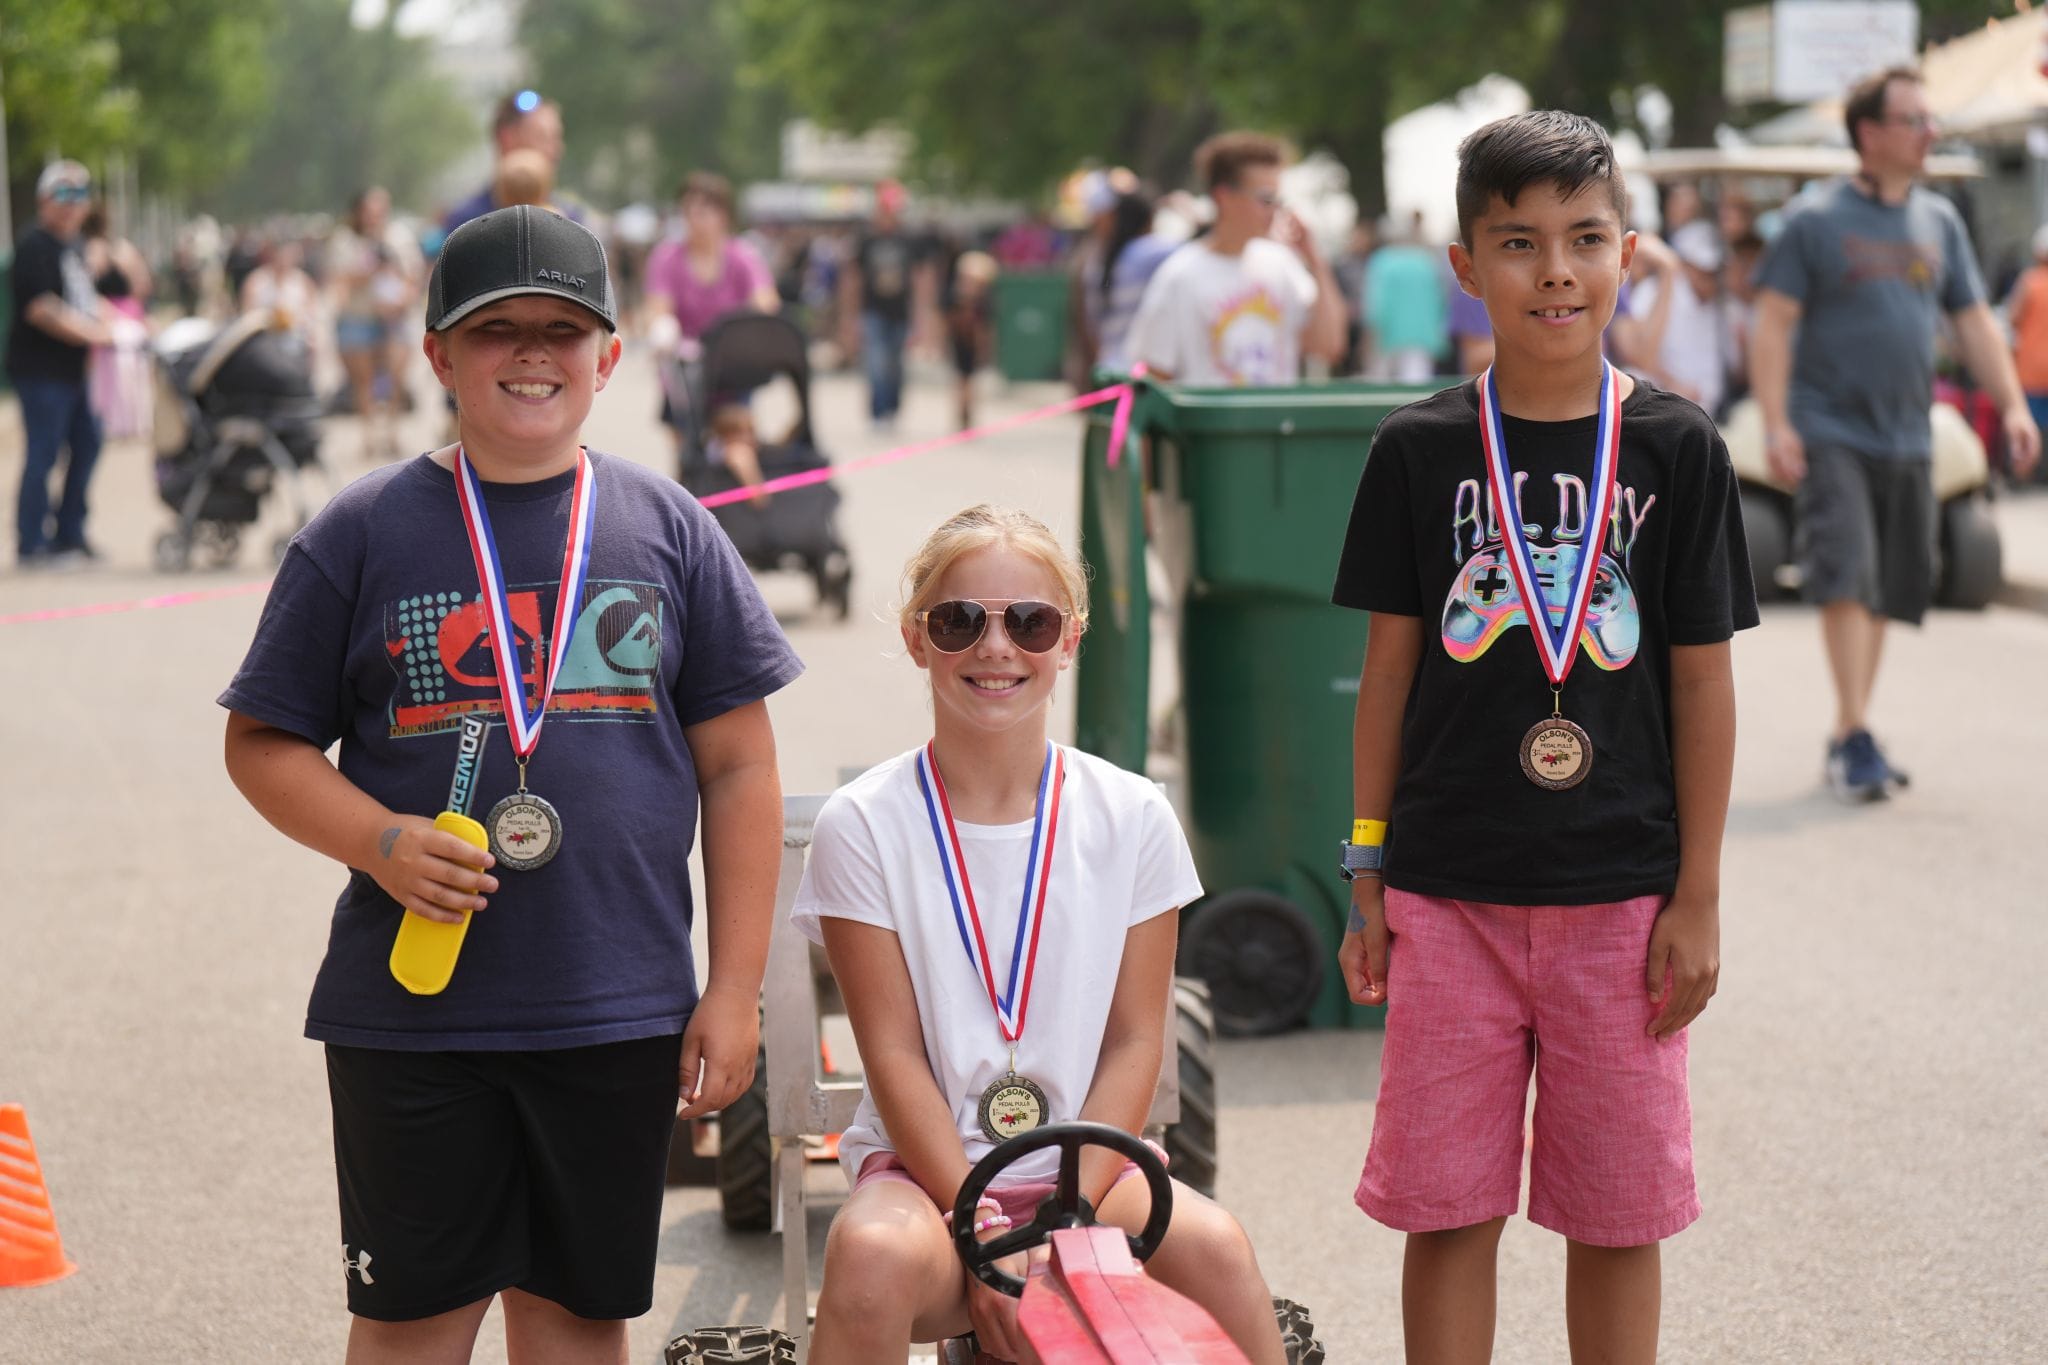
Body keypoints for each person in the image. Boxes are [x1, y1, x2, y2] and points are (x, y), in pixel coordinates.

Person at [218, 205, 803, 1364]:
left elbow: (738, 769)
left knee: (579, 1323)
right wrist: (381, 841)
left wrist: (732, 991)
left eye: (561, 328)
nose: (532, 352)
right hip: (414, 1016)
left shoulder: (670, 528)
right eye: (497, 330)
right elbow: (262, 744)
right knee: (411, 1324)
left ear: (609, 359)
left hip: (617, 1007)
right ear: (437, 354)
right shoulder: (364, 529)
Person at [1332, 110, 1758, 1364]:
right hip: (1445, 895)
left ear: (1629, 252)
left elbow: (1700, 686)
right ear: (1464, 265)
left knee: (1616, 1217)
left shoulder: (1677, 447)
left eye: (1583, 239)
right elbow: (1385, 679)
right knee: (1446, 1212)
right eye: (1517, 243)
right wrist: (1366, 870)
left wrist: (1700, 893)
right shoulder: (1415, 448)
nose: (1555, 271)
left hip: (1622, 902)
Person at [794, 504, 1286, 1365]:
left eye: (1030, 620)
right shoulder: (864, 822)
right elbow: (894, 1055)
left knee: (1221, 1251)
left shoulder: (1133, 815)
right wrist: (980, 1228)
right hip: (931, 1180)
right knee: (867, 1261)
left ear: (1069, 640)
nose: (995, 647)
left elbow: (1138, 1039)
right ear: (918, 639)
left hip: (1093, 1173)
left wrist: (1070, 1215)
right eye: (959, 621)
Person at [1749, 66, 2042, 802]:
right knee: (1847, 571)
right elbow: (1773, 325)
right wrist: (1779, 422)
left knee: (1883, 586)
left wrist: (2010, 404)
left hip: (1908, 434)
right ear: (1870, 133)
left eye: (1929, 119)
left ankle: (1854, 726)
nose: (1929, 133)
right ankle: (1853, 733)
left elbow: (1973, 320)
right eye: (1914, 120)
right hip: (1831, 430)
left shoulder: (1939, 221)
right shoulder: (1815, 222)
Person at [1126, 131, 1345, 385]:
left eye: (1278, 199)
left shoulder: (1281, 263)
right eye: (1266, 198)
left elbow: (1327, 346)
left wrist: (1315, 260)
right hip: (1210, 425)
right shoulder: (1179, 275)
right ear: (1223, 196)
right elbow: (1154, 376)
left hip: (1276, 424)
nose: (1275, 210)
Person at [8, 160, 112, 569]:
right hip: (41, 371)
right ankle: (31, 542)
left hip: (74, 372)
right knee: (43, 452)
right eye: (62, 195)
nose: (71, 205)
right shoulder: (34, 244)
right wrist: (93, 334)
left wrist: (118, 324)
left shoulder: (75, 248)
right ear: (43, 201)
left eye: (79, 195)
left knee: (88, 444)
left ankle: (70, 533)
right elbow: (41, 308)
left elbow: (87, 300)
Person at [327, 187, 422, 461]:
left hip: (395, 318)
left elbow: (413, 277)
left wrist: (401, 300)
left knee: (396, 378)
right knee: (363, 382)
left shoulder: (399, 238)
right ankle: (368, 436)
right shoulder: (345, 241)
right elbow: (339, 282)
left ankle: (392, 433)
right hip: (359, 317)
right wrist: (368, 271)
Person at [841, 180, 922, 428]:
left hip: (900, 311)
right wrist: (849, 318)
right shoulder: (865, 240)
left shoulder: (908, 240)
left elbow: (919, 282)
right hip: (873, 311)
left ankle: (892, 409)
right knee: (876, 362)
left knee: (896, 364)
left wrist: (922, 319)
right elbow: (853, 280)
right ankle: (878, 411)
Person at [1627, 220, 1729, 416]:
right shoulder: (1651, 292)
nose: (1710, 278)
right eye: (1703, 270)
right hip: (1662, 412)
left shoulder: (1722, 304)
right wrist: (1673, 384)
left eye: (1715, 272)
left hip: (1710, 415)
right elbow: (1639, 355)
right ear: (1685, 264)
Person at [442, 90, 582, 232]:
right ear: (506, 138)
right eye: (543, 138)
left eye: (557, 138)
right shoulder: (466, 224)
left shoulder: (572, 221)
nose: (556, 150)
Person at [81, 201, 156, 441]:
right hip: (124, 315)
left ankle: (110, 422)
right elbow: (141, 283)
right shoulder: (120, 249)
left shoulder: (89, 251)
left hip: (106, 318)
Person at [1363, 210, 1450, 382]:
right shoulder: (1426, 261)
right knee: (1417, 393)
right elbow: (1440, 302)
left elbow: (1375, 305)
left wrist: (1369, 337)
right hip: (1423, 337)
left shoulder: (1382, 261)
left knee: (1380, 391)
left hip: (1385, 338)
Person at [2005, 223, 2048, 477]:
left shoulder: (2029, 282)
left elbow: (2012, 317)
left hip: (2031, 367)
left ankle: (2030, 474)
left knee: (2031, 422)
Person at [941, 249, 995, 430]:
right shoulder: (955, 298)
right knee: (962, 379)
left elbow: (986, 328)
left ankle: (967, 413)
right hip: (960, 343)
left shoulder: (982, 301)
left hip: (973, 345)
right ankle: (962, 413)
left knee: (969, 381)